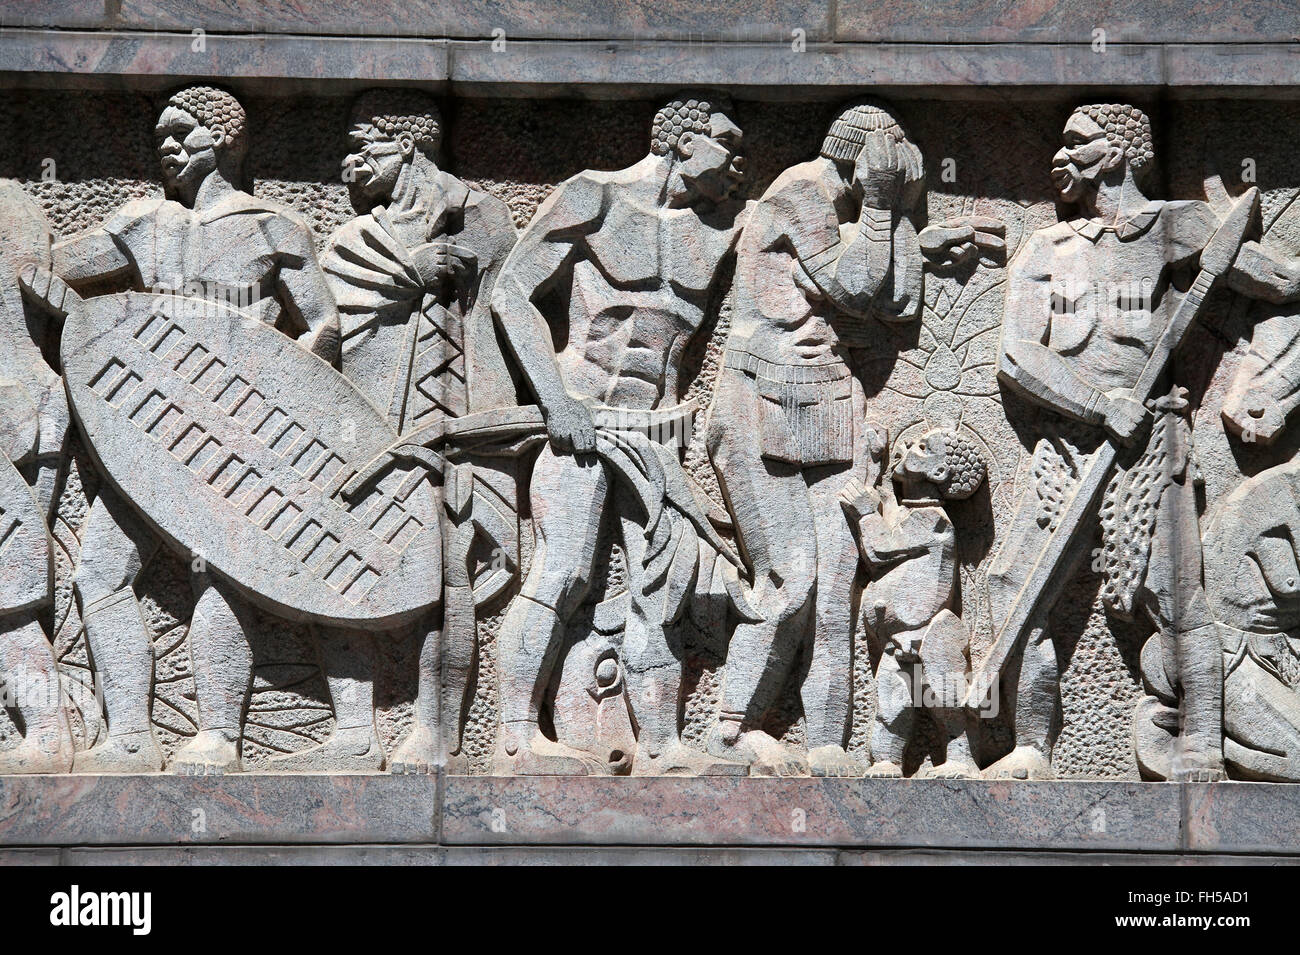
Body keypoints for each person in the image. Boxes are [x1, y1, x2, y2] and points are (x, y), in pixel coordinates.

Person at [24, 85, 340, 773]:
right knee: (99, 573)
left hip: (235, 436)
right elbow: (49, 268)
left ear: (225, 137)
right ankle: (131, 735)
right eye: (159, 135)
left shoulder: (274, 227)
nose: (166, 146)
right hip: (143, 425)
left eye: (182, 131)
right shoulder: (145, 222)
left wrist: (282, 400)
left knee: (218, 576)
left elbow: (323, 324)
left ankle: (220, 736)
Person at [490, 93, 749, 775]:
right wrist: (554, 400)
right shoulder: (593, 198)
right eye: (727, 140)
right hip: (581, 418)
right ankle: (513, 737)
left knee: (657, 590)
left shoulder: (721, 230)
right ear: (681, 140)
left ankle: (662, 743)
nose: (738, 158)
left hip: (655, 434)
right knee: (564, 569)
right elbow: (510, 291)